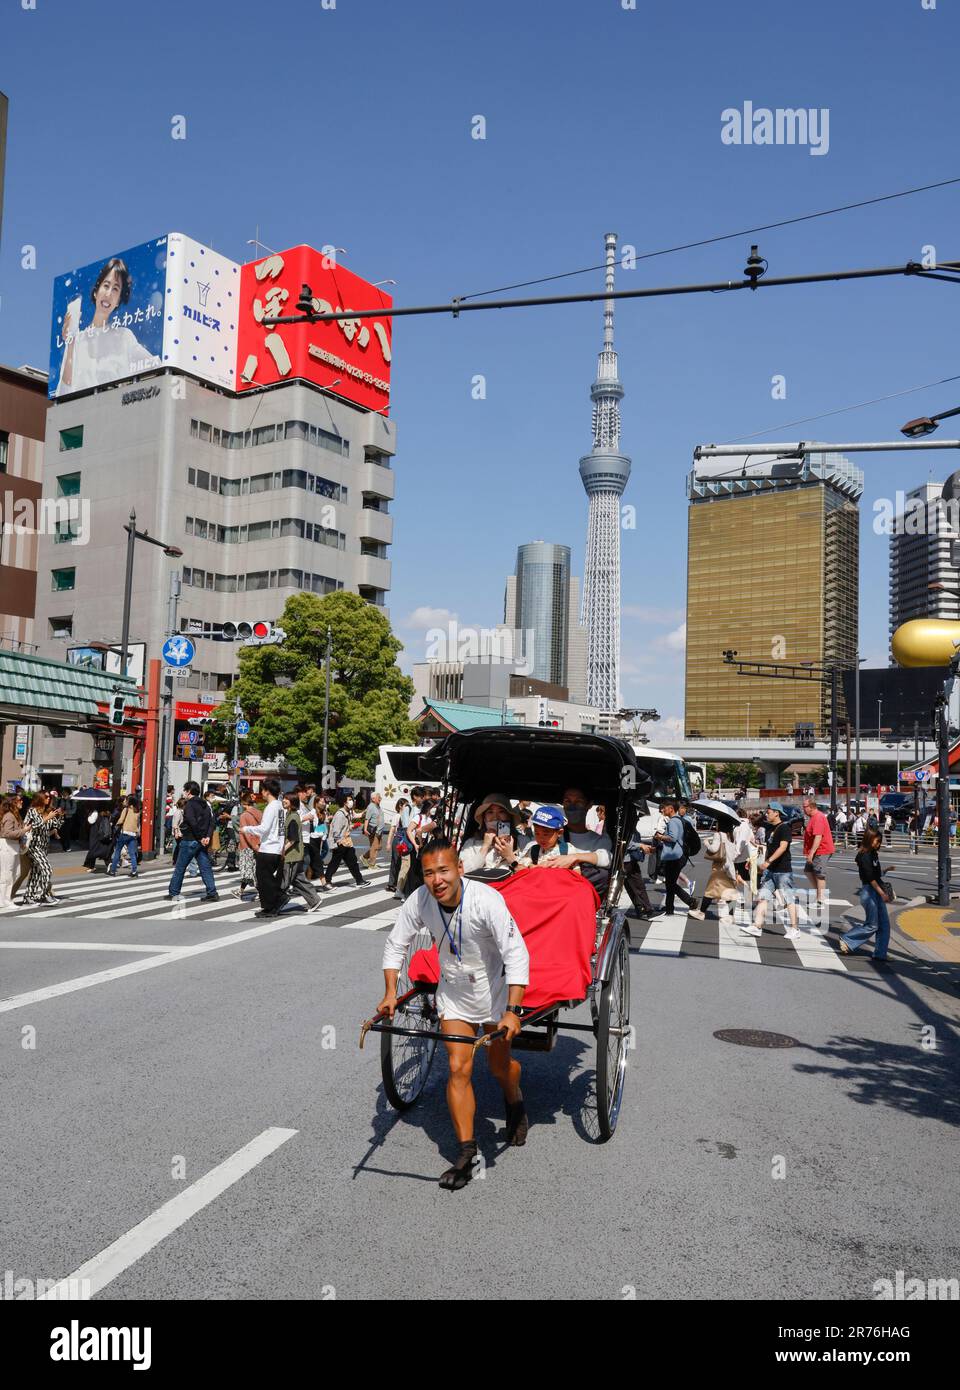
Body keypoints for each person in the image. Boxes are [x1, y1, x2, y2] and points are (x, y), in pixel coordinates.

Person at [379, 838, 530, 1190]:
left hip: (492, 990)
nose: (437, 880)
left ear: (460, 868)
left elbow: (516, 953)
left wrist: (511, 1011)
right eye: (429, 873)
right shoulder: (419, 899)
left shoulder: (486, 901)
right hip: (454, 992)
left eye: (444, 870)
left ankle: (514, 1096)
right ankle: (467, 1153)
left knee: (498, 1066)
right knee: (459, 1067)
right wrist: (390, 992)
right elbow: (396, 943)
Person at [55, 257, 161, 397]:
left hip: (114, 415)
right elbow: (62, 394)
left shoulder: (124, 337)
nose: (108, 294)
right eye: (106, 285)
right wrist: (70, 345)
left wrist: (132, 390)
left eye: (115, 289)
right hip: (80, 416)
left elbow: (157, 366)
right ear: (96, 291)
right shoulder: (77, 340)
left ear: (118, 301)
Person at [747, 804, 800, 939]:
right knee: (763, 897)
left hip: (783, 870)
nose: (767, 814)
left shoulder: (784, 828)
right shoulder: (770, 827)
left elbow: (783, 848)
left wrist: (768, 861)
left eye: (769, 812)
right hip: (770, 870)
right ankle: (757, 926)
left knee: (788, 899)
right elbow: (768, 844)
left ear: (776, 813)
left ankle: (794, 929)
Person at [840, 827, 892, 961]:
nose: (878, 844)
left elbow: (875, 873)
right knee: (872, 925)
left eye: (880, 841)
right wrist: (882, 893)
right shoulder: (864, 856)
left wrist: (886, 870)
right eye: (876, 840)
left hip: (875, 891)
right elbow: (870, 878)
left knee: (884, 924)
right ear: (869, 838)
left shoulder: (873, 853)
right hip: (870, 892)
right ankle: (847, 939)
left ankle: (881, 953)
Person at [649, 801, 703, 919]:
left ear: (671, 809)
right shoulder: (678, 820)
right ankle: (670, 908)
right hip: (679, 855)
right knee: (670, 882)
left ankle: (689, 902)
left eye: (665, 809)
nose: (663, 810)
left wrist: (660, 837)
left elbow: (672, 838)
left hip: (675, 856)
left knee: (670, 883)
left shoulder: (673, 821)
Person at [166, 782, 219, 902]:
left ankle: (174, 892)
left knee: (180, 867)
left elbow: (191, 821)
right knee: (205, 867)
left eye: (185, 790)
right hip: (202, 841)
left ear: (189, 791)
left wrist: (200, 836)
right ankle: (212, 892)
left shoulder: (189, 804)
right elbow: (212, 822)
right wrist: (207, 837)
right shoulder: (205, 804)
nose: (184, 792)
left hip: (190, 839)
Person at [243, 778, 287, 917]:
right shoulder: (280, 806)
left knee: (263, 880)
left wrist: (246, 829)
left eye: (262, 790)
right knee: (267, 878)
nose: (261, 792)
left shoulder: (271, 806)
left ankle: (272, 905)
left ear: (267, 791)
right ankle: (275, 901)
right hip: (277, 848)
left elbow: (264, 828)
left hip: (268, 848)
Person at [459, 793, 527, 879]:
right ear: (484, 819)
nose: (495, 817)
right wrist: (485, 847)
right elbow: (462, 872)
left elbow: (530, 876)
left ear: (509, 816)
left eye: (501, 812)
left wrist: (510, 857)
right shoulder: (471, 843)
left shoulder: (523, 842)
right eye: (490, 812)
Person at [277, 793, 324, 913]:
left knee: (284, 881)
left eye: (287, 799)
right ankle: (314, 900)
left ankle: (276, 904)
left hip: (292, 855)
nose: (284, 801)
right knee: (298, 879)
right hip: (295, 854)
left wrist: (282, 851)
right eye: (284, 799)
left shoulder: (293, 817)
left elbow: (293, 839)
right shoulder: (289, 814)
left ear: (292, 802)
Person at [21, 791, 65, 905]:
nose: (48, 799)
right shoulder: (32, 811)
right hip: (33, 846)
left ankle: (28, 896)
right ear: (40, 798)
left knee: (36, 872)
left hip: (44, 846)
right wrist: (46, 818)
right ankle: (44, 895)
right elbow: (30, 827)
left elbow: (56, 826)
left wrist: (60, 816)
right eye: (46, 797)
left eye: (49, 797)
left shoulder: (48, 812)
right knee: (47, 869)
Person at [801, 795, 835, 922]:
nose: (803, 809)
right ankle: (819, 894)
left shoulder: (818, 817)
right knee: (808, 871)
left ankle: (820, 899)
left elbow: (818, 836)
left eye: (805, 807)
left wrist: (811, 853)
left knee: (819, 874)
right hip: (815, 851)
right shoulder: (813, 817)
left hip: (821, 850)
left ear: (811, 807)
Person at [323, 797, 368, 887]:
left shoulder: (348, 812)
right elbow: (336, 830)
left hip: (347, 842)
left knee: (352, 862)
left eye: (352, 799)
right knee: (335, 863)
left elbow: (346, 826)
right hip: (341, 842)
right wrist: (338, 842)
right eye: (349, 800)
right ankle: (327, 881)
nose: (351, 801)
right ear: (344, 802)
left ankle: (359, 880)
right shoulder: (340, 814)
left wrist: (353, 826)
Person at [696, 826, 738, 922]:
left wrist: (706, 843)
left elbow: (714, 849)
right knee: (729, 892)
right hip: (729, 867)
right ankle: (731, 916)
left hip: (719, 867)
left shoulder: (718, 835)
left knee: (710, 891)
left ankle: (701, 913)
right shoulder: (731, 836)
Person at [231, 791, 262, 901]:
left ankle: (260, 892)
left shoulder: (244, 815)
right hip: (259, 844)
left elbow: (246, 833)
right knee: (251, 870)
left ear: (244, 803)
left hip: (248, 846)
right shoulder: (259, 813)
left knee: (249, 871)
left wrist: (253, 846)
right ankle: (240, 891)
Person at [0, 796, 25, 910]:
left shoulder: (15, 815)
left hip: (13, 846)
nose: (22, 802)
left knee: (16, 873)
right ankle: (4, 900)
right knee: (7, 874)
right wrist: (24, 830)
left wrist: (21, 840)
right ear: (13, 803)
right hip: (7, 845)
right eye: (20, 800)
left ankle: (5, 898)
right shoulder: (9, 816)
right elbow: (7, 833)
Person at [107, 795, 141, 878]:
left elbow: (121, 820)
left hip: (124, 833)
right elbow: (137, 823)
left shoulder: (125, 810)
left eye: (127, 800)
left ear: (129, 802)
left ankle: (112, 871)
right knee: (132, 854)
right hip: (133, 834)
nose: (125, 801)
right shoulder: (137, 811)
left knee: (117, 851)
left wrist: (116, 825)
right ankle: (134, 871)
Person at [83, 804, 114, 872]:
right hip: (104, 835)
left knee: (93, 850)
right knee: (104, 850)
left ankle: (91, 866)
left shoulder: (95, 812)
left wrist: (89, 814)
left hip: (95, 834)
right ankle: (109, 863)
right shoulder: (108, 813)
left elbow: (90, 821)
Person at [362, 792, 385, 870]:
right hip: (374, 830)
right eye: (379, 797)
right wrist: (365, 829)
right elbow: (367, 819)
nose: (380, 798)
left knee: (378, 846)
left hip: (379, 830)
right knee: (374, 847)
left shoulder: (377, 806)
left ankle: (364, 857)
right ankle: (372, 865)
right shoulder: (371, 807)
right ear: (373, 799)